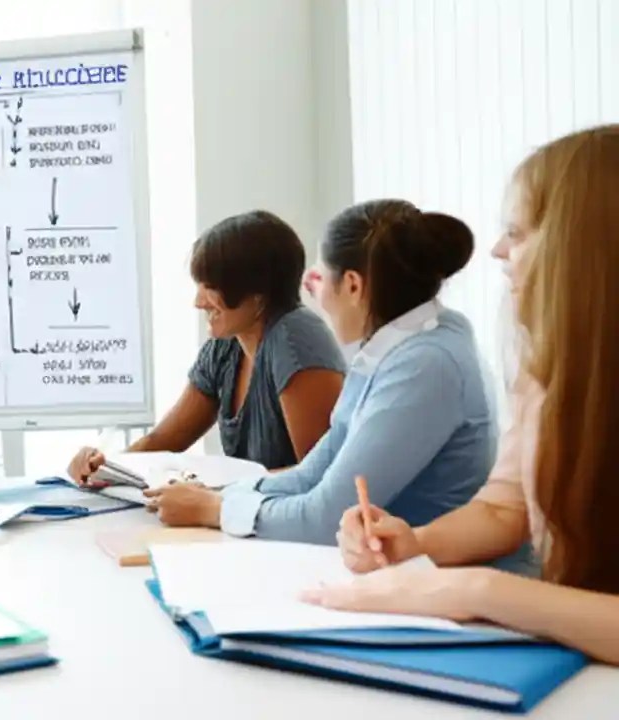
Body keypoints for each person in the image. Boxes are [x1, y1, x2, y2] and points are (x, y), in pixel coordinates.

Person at [306, 126, 619, 663]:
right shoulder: (545, 374)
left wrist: (475, 591)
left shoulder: (428, 358)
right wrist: (415, 543)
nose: (498, 249)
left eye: (517, 233)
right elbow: (503, 509)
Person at [145, 200, 497, 542]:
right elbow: (313, 473)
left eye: (320, 277)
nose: (315, 293)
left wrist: (215, 509)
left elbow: (326, 516)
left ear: (353, 286)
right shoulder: (394, 351)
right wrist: (214, 494)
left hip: (425, 579)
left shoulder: (425, 367)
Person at [68, 210, 346, 482]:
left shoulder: (295, 337)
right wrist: (107, 468)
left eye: (211, 287)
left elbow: (321, 476)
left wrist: (212, 496)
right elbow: (164, 440)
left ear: (258, 293)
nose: (198, 302)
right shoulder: (224, 348)